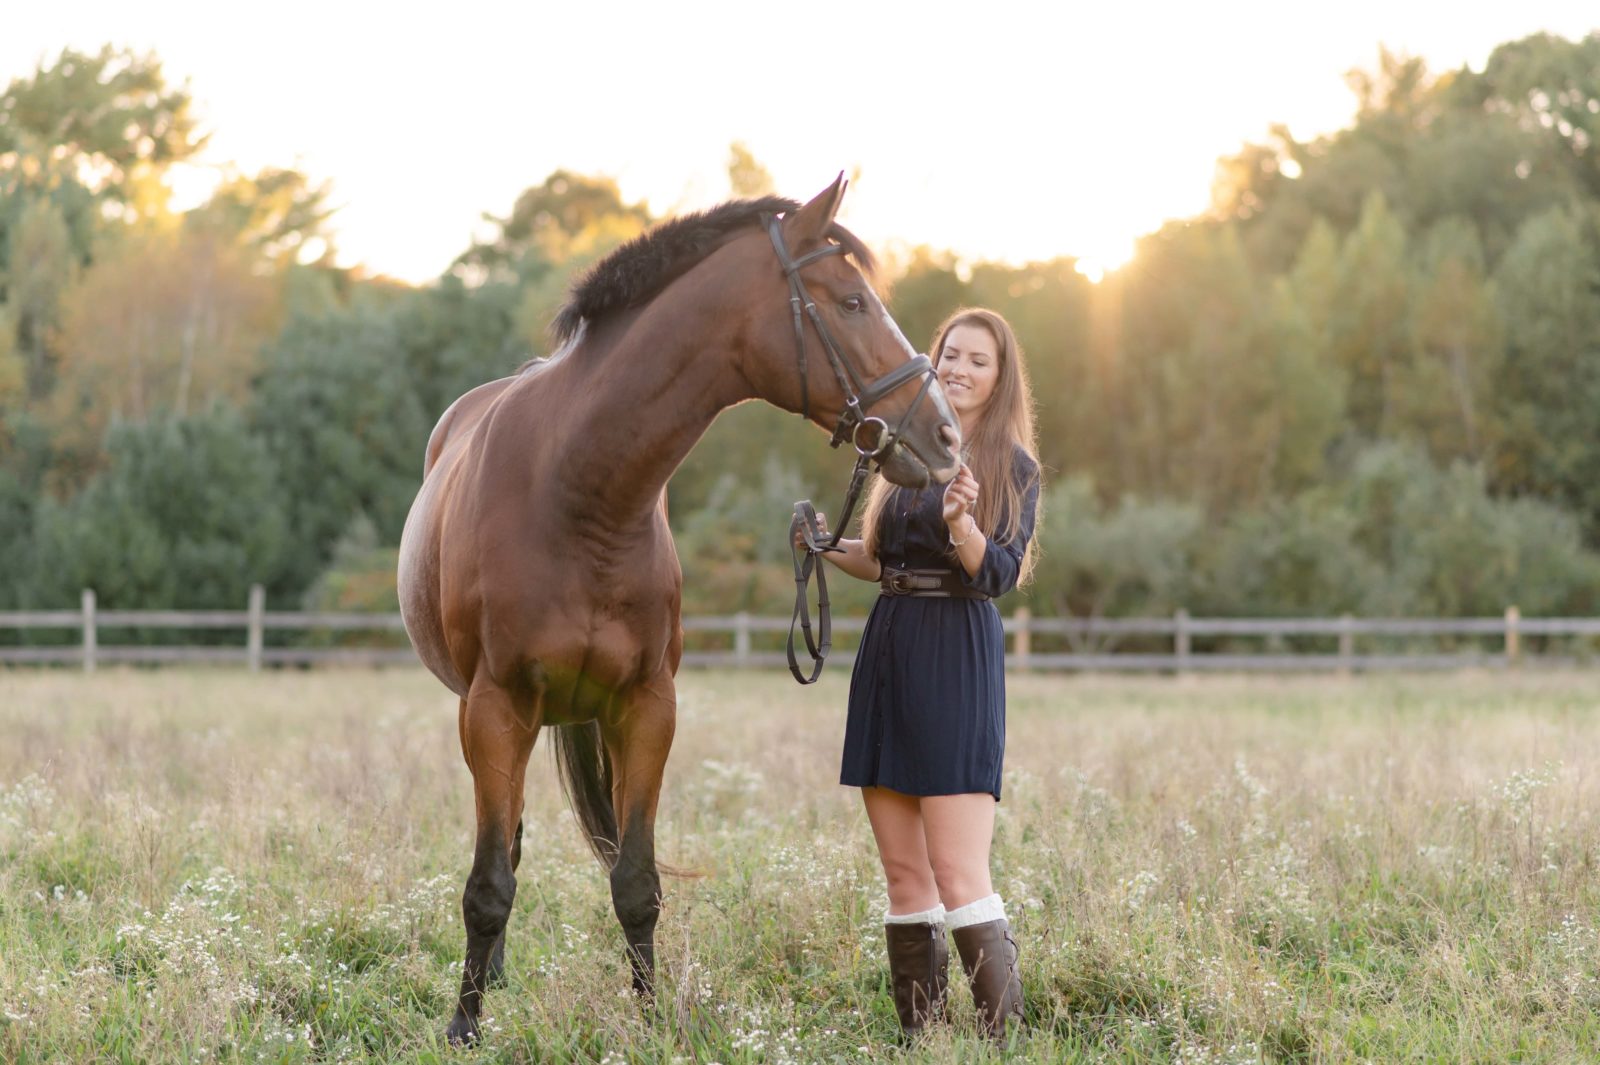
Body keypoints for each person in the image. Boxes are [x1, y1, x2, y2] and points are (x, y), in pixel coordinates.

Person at [811, 307, 1042, 1042]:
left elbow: (998, 573)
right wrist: (824, 544)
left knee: (956, 868)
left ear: (1000, 377)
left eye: (978, 360)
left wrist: (964, 526)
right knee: (905, 875)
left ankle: (1002, 1041)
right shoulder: (904, 452)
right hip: (890, 646)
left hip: (955, 652)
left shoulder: (1012, 467)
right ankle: (923, 1038)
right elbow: (881, 559)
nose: (959, 368)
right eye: (949, 354)